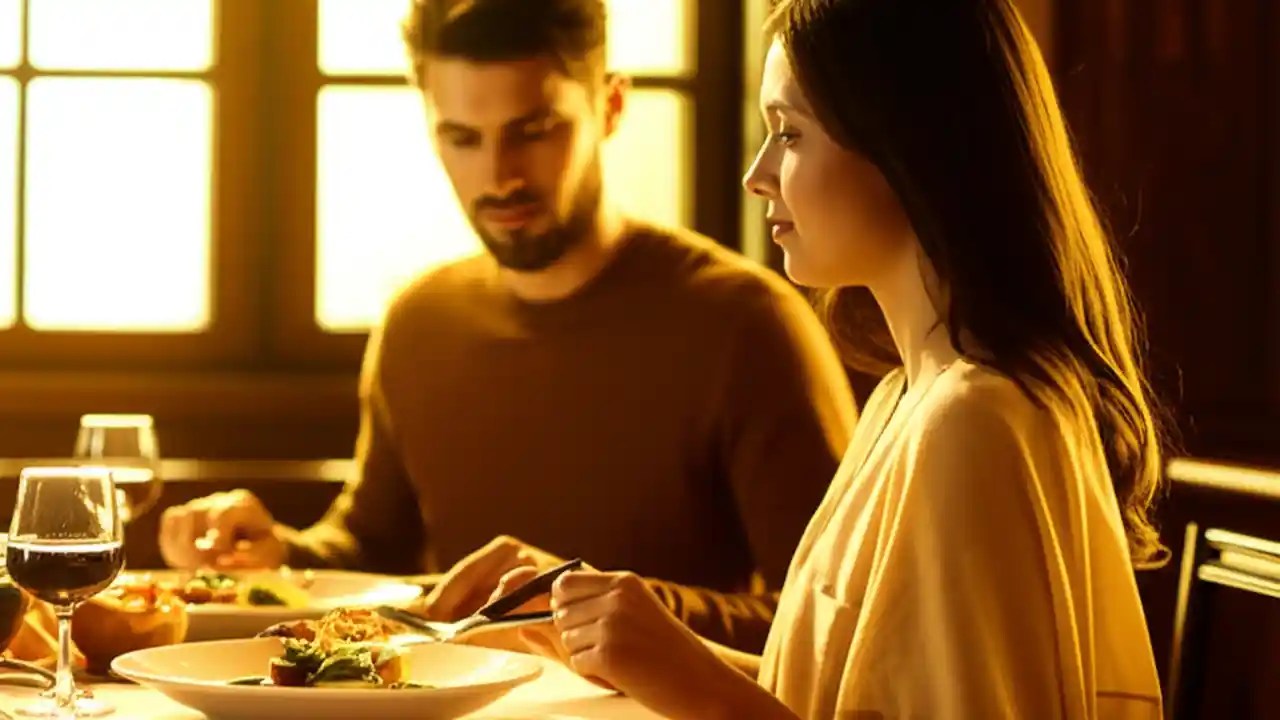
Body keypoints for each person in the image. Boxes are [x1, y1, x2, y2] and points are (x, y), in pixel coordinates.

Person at [497, 0, 1170, 717]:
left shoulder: (973, 422)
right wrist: (628, 649)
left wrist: (683, 675)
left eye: (789, 133)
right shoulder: (904, 399)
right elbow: (834, 696)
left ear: (909, 146)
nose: (757, 175)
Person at [156, 0, 856, 654]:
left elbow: (831, 621)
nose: (499, 176)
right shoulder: (419, 322)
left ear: (610, 105)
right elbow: (372, 552)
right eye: (462, 138)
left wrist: (597, 608)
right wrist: (275, 554)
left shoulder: (745, 325)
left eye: (534, 130)